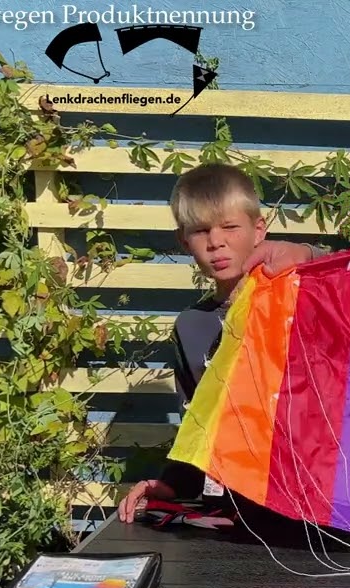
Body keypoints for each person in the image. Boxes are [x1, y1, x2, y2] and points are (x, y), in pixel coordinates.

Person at [116, 163, 319, 525]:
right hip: (238, 518)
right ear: (184, 241)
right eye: (200, 231)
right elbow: (200, 426)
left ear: (259, 230)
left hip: (318, 508)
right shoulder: (191, 327)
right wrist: (170, 484)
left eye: (230, 227)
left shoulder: (302, 299)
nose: (216, 242)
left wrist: (308, 253)